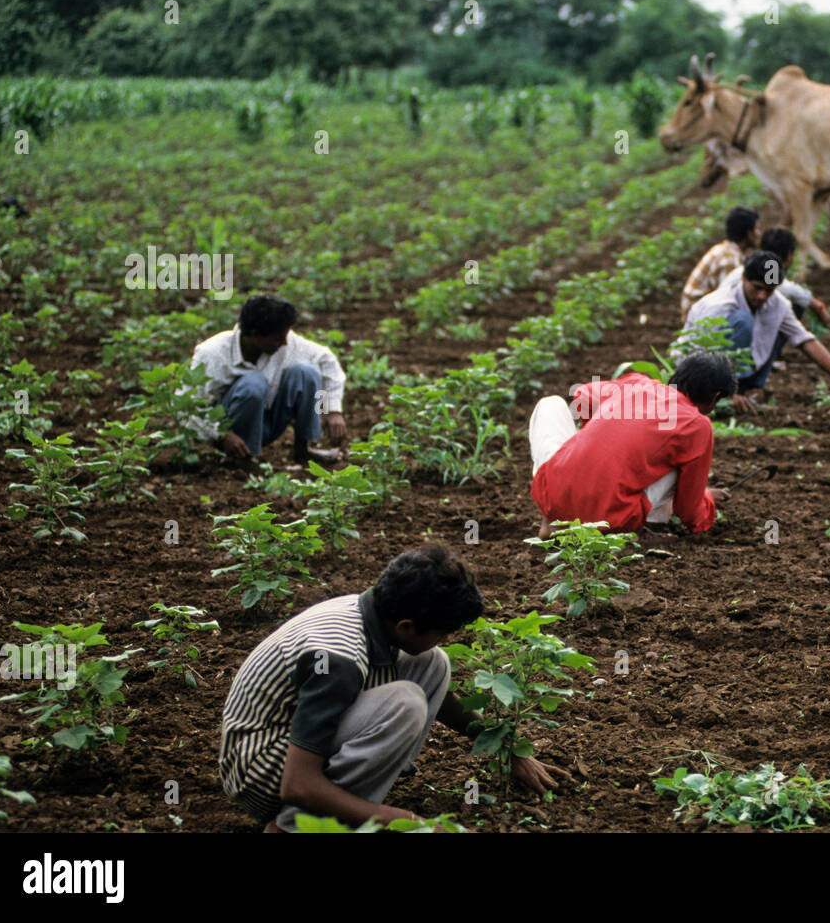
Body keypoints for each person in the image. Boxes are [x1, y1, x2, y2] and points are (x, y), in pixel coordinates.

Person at [219, 546, 569, 832]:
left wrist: (506, 748)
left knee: (433, 664)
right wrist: (407, 822)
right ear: (405, 626)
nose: (445, 640)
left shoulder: (371, 611)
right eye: (442, 632)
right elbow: (297, 785)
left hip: (288, 749)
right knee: (405, 703)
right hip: (260, 774)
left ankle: (354, 795)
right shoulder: (338, 658)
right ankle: (291, 827)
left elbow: (444, 701)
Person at [528, 351, 738, 539]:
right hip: (609, 517)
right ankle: (653, 523)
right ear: (715, 397)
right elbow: (689, 511)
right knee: (676, 465)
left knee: (551, 404)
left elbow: (583, 396)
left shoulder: (638, 383)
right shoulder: (696, 425)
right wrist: (706, 500)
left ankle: (552, 519)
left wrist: (602, 436)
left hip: (553, 494)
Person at [682, 251, 830, 414]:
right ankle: (724, 399)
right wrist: (722, 394)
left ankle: (744, 392)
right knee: (743, 321)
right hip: (697, 376)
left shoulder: (778, 303)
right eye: (757, 288)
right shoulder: (719, 306)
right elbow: (694, 356)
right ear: (743, 279)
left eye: (769, 290)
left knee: (780, 324)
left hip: (740, 369)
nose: (762, 296)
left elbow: (807, 342)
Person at [188, 294, 347, 466]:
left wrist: (331, 410)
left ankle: (303, 449)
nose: (285, 343)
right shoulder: (212, 354)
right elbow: (189, 407)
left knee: (307, 372)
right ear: (255, 335)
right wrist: (221, 434)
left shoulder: (285, 344)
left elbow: (327, 362)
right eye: (278, 338)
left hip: (270, 422)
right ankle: (242, 458)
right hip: (231, 433)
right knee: (253, 383)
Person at [680, 206, 761, 320]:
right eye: (757, 229)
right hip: (697, 315)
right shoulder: (729, 259)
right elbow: (729, 299)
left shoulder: (725, 249)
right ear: (748, 233)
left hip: (697, 308)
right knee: (743, 319)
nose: (759, 234)